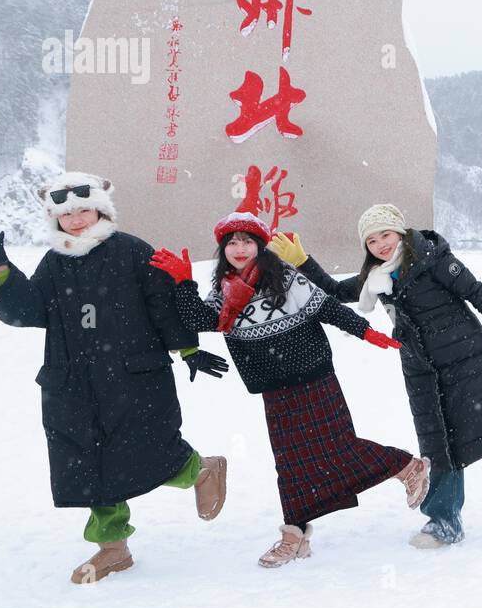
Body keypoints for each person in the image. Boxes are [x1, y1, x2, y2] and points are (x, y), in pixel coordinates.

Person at [0, 171, 230, 584]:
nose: (75, 219)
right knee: (88, 464)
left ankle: (201, 469)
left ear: (100, 209)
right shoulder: (55, 262)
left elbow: (162, 303)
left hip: (132, 375)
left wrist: (188, 349)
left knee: (149, 451)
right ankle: (113, 547)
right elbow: (28, 312)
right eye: (66, 214)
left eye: (83, 210)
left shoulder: (131, 251)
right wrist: (2, 270)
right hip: (72, 381)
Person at [151, 212, 429, 567]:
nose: (239, 248)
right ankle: (294, 535)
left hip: (313, 373)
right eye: (232, 242)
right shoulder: (223, 287)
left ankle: (407, 466)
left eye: (247, 241)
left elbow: (325, 307)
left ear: (260, 246)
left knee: (337, 447)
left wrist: (365, 331)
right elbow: (200, 320)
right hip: (272, 384)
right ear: (223, 249)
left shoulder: (283, 277)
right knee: (289, 461)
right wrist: (183, 282)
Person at [269, 204, 482, 548]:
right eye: (371, 240)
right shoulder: (377, 279)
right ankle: (444, 522)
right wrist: (302, 261)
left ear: (400, 232)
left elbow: (476, 291)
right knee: (438, 441)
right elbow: (333, 290)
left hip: (465, 354)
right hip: (420, 367)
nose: (380, 244)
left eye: (385, 235)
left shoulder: (435, 260)